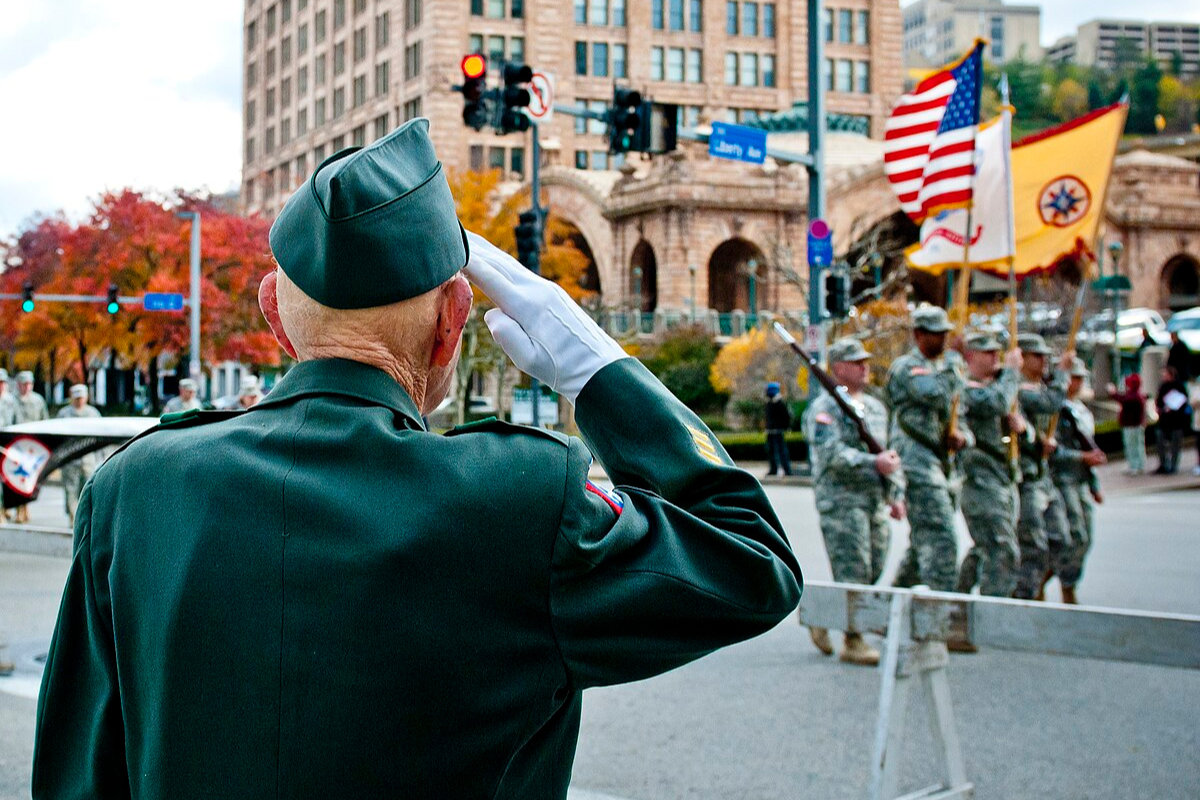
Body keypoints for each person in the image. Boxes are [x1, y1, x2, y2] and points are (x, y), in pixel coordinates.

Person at [32, 119, 803, 800]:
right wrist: (601, 372)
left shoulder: (134, 492)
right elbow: (750, 562)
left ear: (275, 315)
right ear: (453, 323)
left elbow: (78, 779)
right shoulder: (522, 500)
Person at [802, 338, 904, 666]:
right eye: (856, 362)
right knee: (853, 570)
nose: (864, 367)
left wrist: (895, 494)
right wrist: (871, 464)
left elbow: (885, 451)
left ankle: (823, 614)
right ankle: (853, 639)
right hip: (841, 500)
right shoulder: (824, 409)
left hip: (873, 499)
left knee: (875, 565)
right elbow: (830, 454)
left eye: (866, 361)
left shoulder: (876, 407)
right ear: (838, 368)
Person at [886, 306, 970, 592]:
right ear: (919, 335)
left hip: (941, 465)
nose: (943, 340)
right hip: (917, 465)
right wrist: (956, 361)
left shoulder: (943, 369)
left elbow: (957, 411)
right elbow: (934, 393)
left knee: (923, 543)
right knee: (942, 541)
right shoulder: (908, 367)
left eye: (945, 334)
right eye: (936, 335)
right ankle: (942, 621)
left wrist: (960, 436)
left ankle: (891, 606)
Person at [955, 333, 1024, 599]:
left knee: (985, 547)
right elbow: (995, 403)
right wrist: (1012, 372)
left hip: (1003, 479)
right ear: (970, 356)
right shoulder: (965, 387)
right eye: (988, 352)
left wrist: (1022, 428)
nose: (996, 357)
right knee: (1002, 550)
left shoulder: (998, 386)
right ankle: (989, 618)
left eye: (998, 352)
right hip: (980, 481)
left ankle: (956, 604)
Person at [1013, 334, 1073, 600]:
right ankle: (1025, 594)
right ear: (1022, 357)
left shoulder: (1039, 387)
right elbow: (1051, 403)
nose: (1044, 361)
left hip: (1043, 475)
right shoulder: (1018, 388)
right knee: (1032, 546)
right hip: (1026, 478)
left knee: (1062, 541)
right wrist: (1062, 374)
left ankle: (1036, 587)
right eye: (1038, 356)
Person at [1044, 358, 1105, 604]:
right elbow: (1052, 450)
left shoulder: (1082, 411)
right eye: (1073, 377)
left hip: (1080, 479)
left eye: (1081, 378)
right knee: (1073, 536)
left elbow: (1088, 447)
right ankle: (1062, 583)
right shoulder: (1055, 410)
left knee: (1085, 537)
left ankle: (1065, 579)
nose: (1077, 382)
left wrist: (1094, 485)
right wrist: (1082, 457)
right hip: (1061, 480)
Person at [55, 384, 102, 527]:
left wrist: (101, 457)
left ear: (86, 397)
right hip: (70, 459)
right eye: (76, 398)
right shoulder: (64, 414)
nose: (79, 401)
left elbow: (100, 437)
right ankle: (74, 520)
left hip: (88, 460)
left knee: (88, 491)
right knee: (71, 490)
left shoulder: (93, 414)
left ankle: (87, 521)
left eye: (81, 398)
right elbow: (57, 437)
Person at [12, 370, 48, 524]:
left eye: (29, 384)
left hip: (33, 447)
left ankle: (25, 508)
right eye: (23, 384)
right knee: (17, 478)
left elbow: (45, 421)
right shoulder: (11, 401)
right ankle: (20, 509)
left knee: (29, 480)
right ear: (18, 385)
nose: (26, 387)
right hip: (16, 446)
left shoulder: (38, 401)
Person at [1107, 373, 1147, 475]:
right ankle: (1137, 465)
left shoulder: (1135, 396)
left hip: (1132, 426)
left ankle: (1135, 466)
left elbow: (1123, 400)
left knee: (1133, 446)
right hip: (1134, 425)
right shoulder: (1136, 395)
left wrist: (1113, 392)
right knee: (1136, 446)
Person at [1154, 365, 1190, 474]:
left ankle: (1173, 466)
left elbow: (1183, 402)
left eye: (1165, 374)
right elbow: (1159, 400)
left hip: (1176, 421)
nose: (1163, 376)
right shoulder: (1163, 386)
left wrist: (1173, 408)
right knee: (1160, 441)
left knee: (1175, 444)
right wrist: (1158, 407)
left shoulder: (1180, 386)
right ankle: (1163, 464)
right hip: (1164, 420)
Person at [764, 381, 793, 476]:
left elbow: (786, 417)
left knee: (782, 451)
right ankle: (773, 469)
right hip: (770, 431)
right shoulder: (768, 404)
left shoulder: (780, 403)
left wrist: (786, 427)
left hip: (778, 431)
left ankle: (787, 470)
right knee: (771, 452)